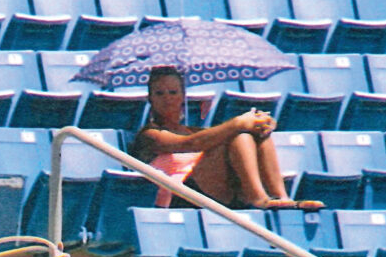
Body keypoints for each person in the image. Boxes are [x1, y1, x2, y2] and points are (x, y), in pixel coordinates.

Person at [131, 65, 322, 212]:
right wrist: (238, 123)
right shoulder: (150, 134)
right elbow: (192, 143)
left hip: (218, 189)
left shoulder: (194, 129)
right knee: (238, 135)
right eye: (159, 93)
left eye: (173, 92)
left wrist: (263, 124)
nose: (167, 98)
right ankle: (258, 199)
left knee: (256, 134)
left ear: (183, 96)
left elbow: (203, 138)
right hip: (183, 196)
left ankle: (281, 197)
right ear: (150, 98)